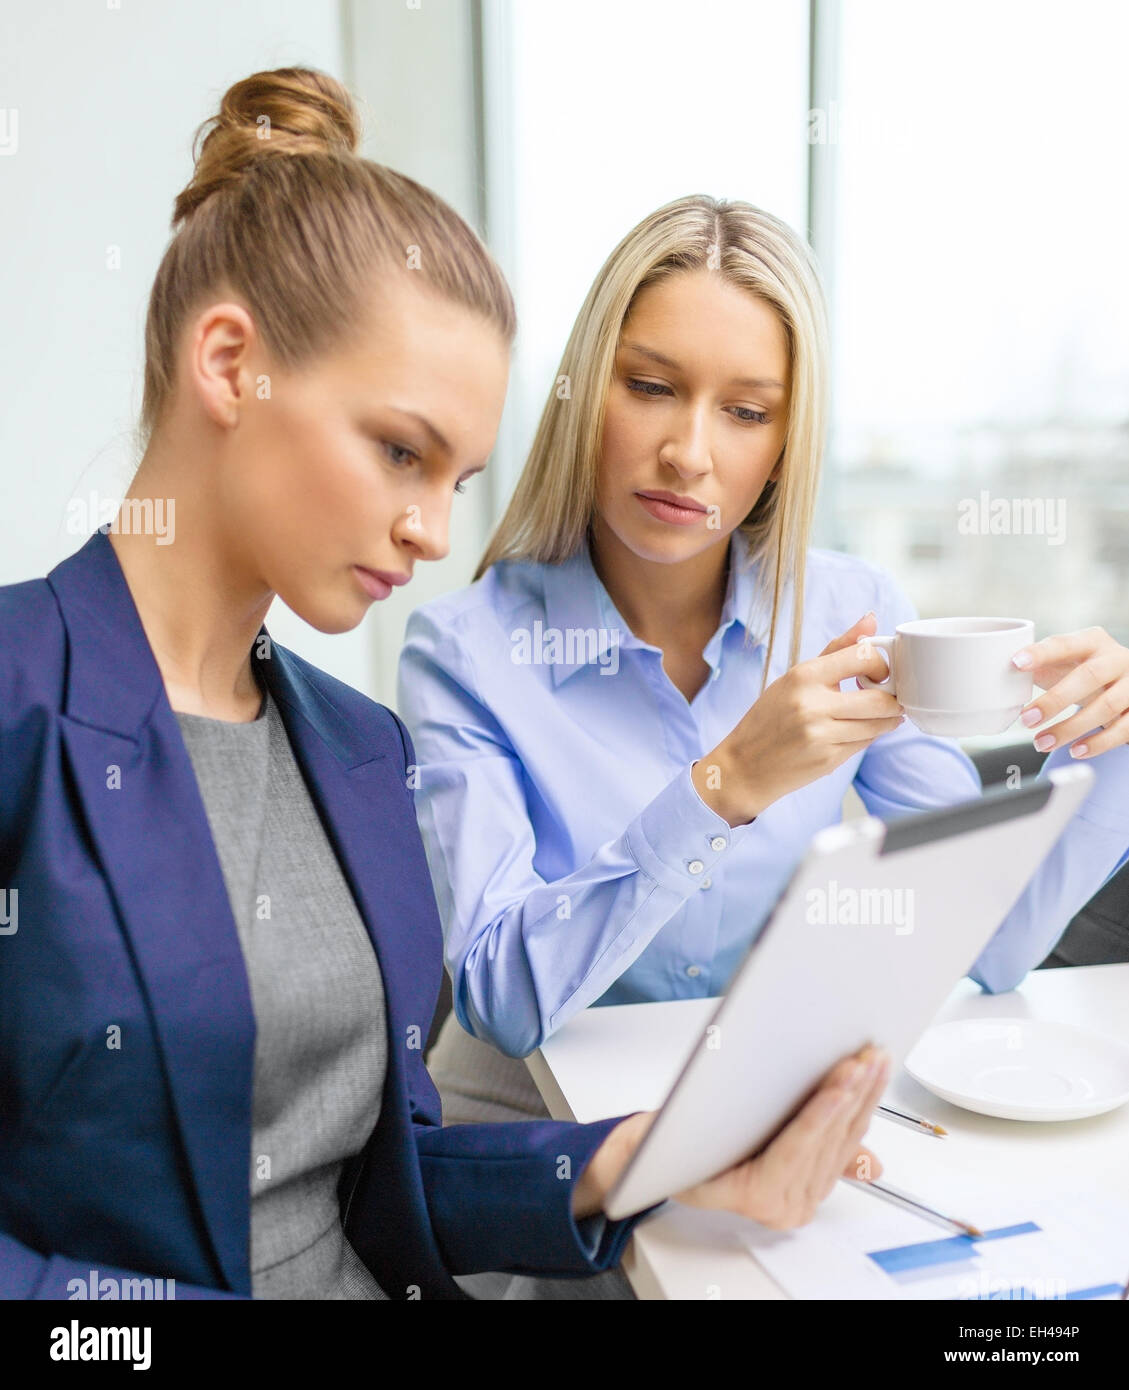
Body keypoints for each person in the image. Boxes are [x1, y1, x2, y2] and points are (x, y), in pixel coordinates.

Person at [0, 68, 892, 1303]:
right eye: (399, 451)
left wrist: (635, 1163)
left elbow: (379, 1183)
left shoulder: (358, 751)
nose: (431, 532)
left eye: (458, 479)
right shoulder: (19, 699)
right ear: (230, 364)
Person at [398, 194, 1129, 1158]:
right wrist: (723, 786)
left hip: (747, 1127)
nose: (688, 454)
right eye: (649, 386)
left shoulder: (851, 610)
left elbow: (987, 946)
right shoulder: (463, 653)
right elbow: (501, 999)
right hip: (533, 1149)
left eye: (746, 412)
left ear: (785, 445)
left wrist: (1113, 739)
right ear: (582, 394)